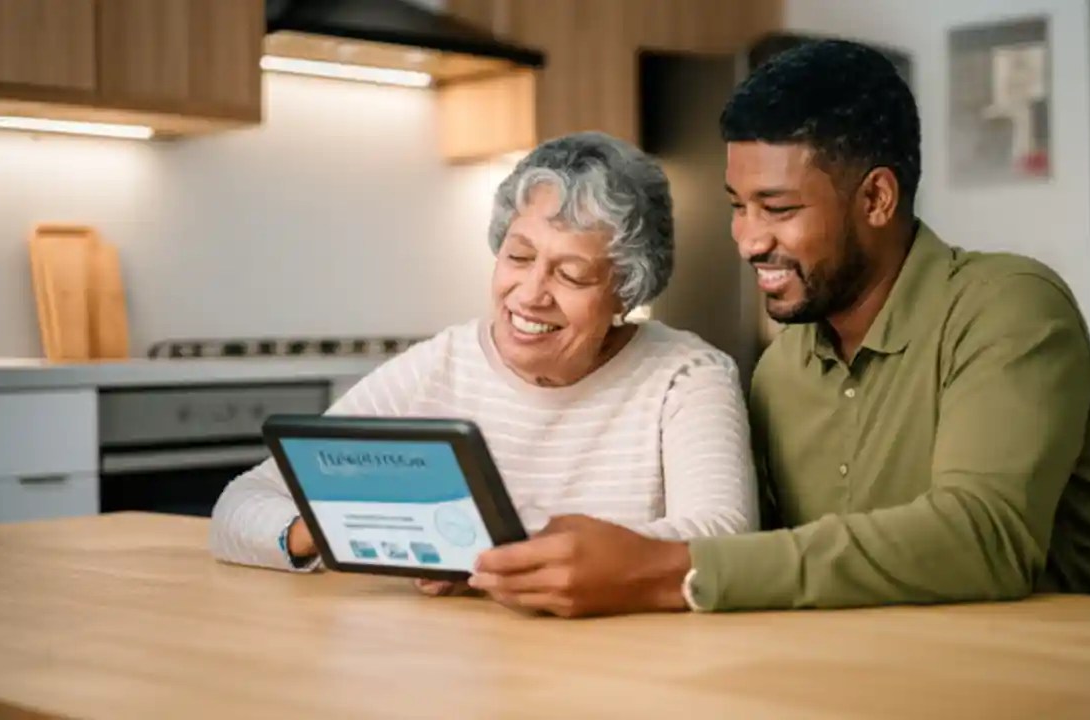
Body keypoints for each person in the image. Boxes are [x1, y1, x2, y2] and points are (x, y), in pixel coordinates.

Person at [467, 39, 1090, 616]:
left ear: (876, 198)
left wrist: (668, 569)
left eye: (778, 209)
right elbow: (774, 569)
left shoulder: (1010, 307)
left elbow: (983, 539)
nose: (749, 240)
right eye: (738, 207)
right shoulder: (781, 371)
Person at [209, 132, 758, 577]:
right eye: (519, 256)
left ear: (627, 292)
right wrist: (333, 529)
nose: (531, 293)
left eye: (571, 274)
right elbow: (242, 502)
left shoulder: (686, 377)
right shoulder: (438, 366)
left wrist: (500, 550)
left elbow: (725, 533)